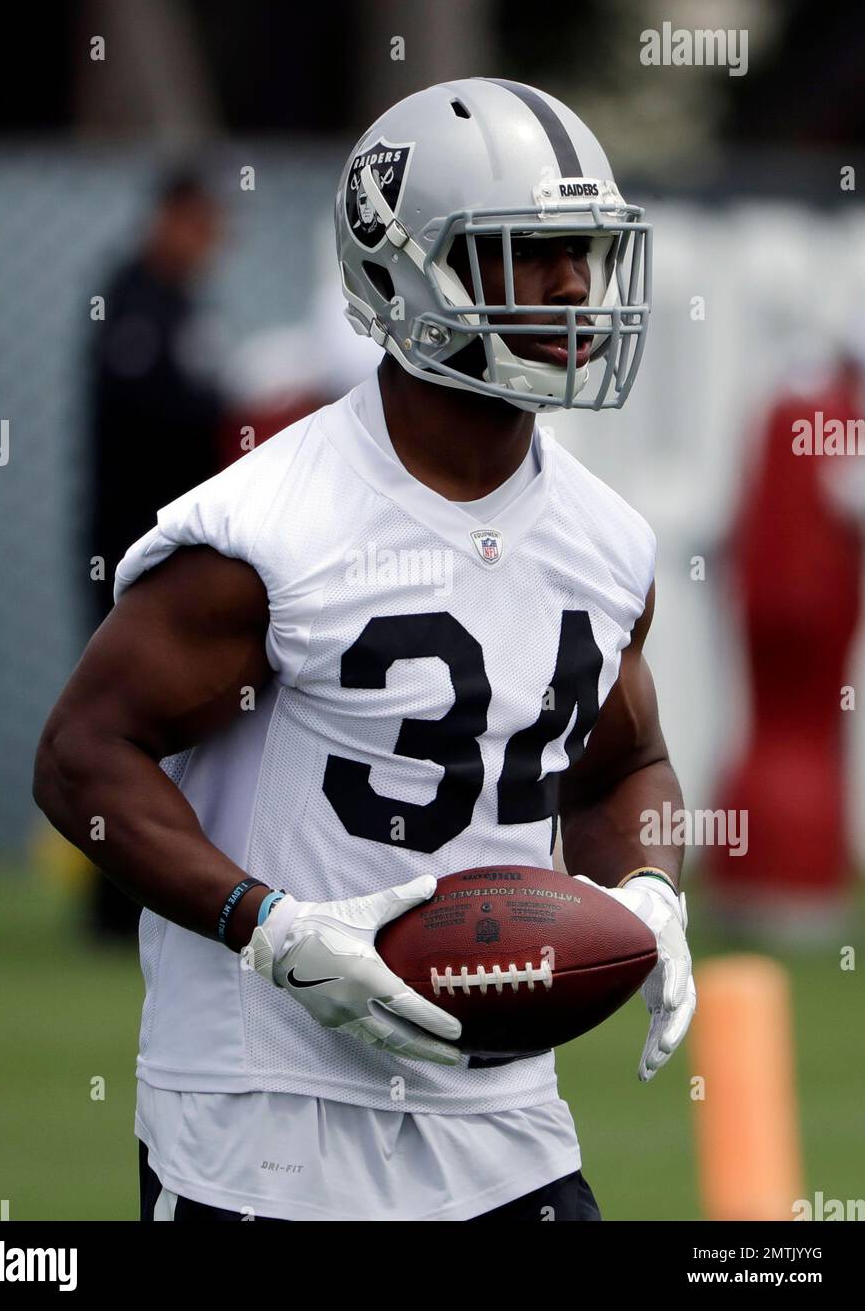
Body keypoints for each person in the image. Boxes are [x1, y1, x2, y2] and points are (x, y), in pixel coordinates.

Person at [35, 78, 696, 1222]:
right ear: (408, 269)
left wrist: (645, 889)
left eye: (583, 248)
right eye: (530, 250)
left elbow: (624, 763)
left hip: (502, 1121)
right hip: (262, 1124)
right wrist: (271, 926)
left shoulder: (605, 543)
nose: (576, 284)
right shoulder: (268, 530)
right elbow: (82, 759)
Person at [85, 170, 225, 938]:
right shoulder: (133, 298)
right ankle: (113, 903)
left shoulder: (180, 302)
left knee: (168, 723)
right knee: (121, 720)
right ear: (172, 218)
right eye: (203, 223)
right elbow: (150, 414)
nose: (213, 243)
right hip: (128, 543)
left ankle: (144, 891)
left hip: (174, 544)